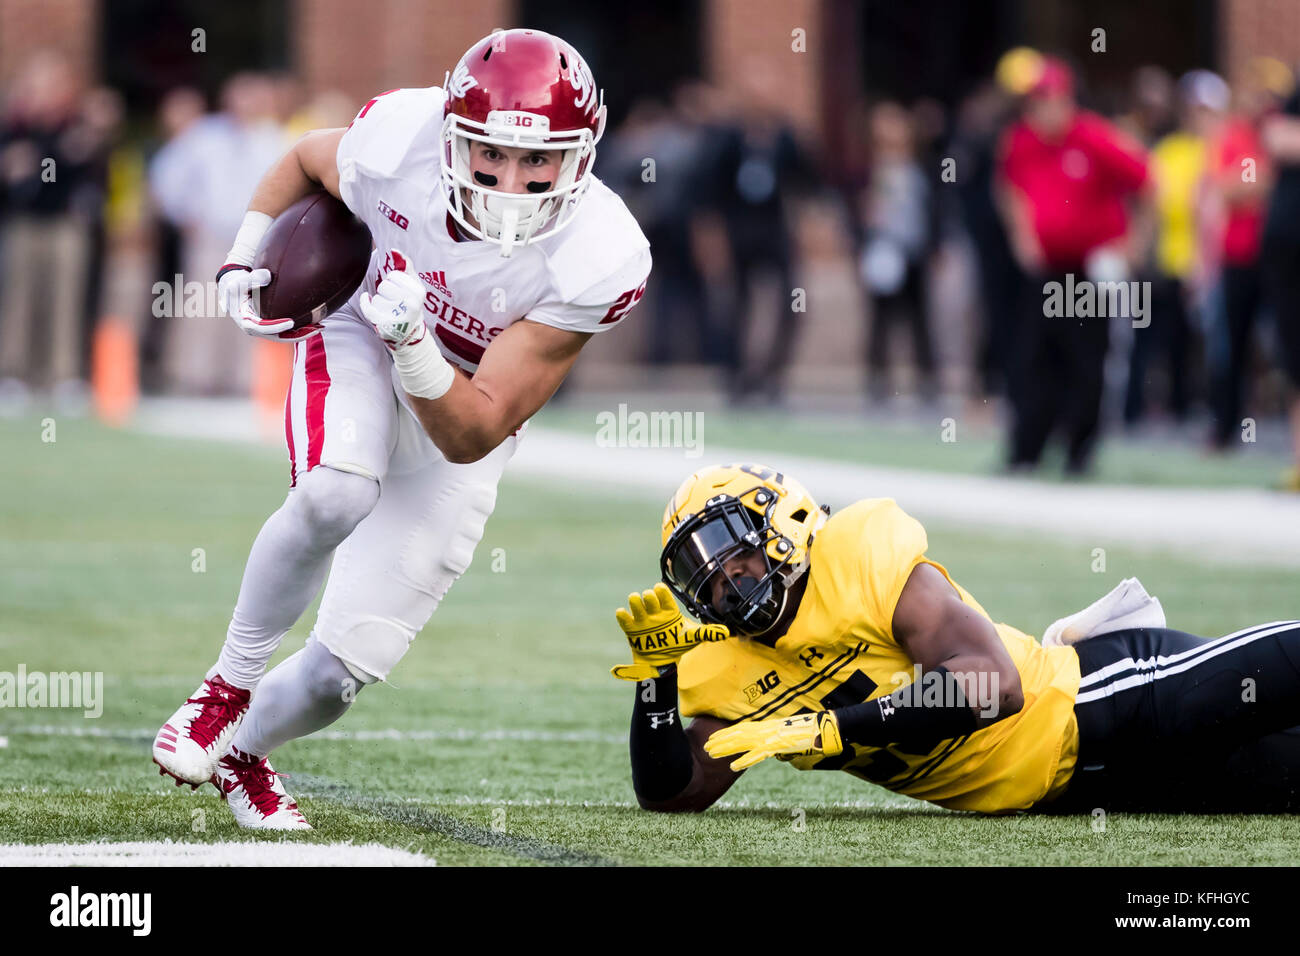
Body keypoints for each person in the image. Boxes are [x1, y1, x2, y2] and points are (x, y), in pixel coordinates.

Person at [151, 29, 651, 829]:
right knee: (336, 492)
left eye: (538, 162)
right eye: (491, 155)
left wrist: (418, 343)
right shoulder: (398, 142)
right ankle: (224, 687)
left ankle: (243, 750)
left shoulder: (599, 254)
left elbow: (473, 431)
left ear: (581, 159)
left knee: (344, 672)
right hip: (360, 335)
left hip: (458, 401)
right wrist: (246, 255)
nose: (511, 181)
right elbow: (307, 159)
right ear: (451, 139)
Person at [613, 463, 1300, 814]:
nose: (725, 591)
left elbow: (991, 684)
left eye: (735, 562)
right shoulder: (723, 663)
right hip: (1080, 795)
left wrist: (836, 730)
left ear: (784, 524)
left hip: (1097, 703)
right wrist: (657, 683)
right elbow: (676, 793)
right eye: (704, 583)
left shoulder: (858, 553)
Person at [997, 57, 1150, 474]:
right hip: (1045, 270)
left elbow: (1147, 180)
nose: (1044, 109)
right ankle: (1025, 450)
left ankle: (1079, 452)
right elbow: (1010, 187)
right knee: (1033, 359)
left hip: (1089, 272)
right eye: (1037, 101)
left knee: (1086, 361)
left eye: (1051, 100)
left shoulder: (1095, 137)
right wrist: (1022, 234)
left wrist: (1134, 242)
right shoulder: (1022, 141)